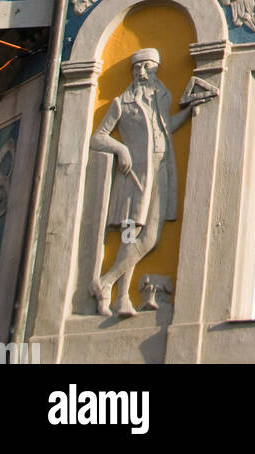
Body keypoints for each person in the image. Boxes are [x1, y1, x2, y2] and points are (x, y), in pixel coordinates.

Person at [89, 47, 211, 318]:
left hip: (161, 173)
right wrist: (121, 150)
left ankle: (107, 283)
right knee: (131, 235)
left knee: (150, 238)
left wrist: (190, 110)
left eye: (147, 67)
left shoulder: (161, 98)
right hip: (134, 178)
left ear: (156, 70)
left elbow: (166, 129)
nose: (142, 73)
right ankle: (119, 297)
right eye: (137, 68)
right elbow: (98, 137)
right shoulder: (123, 103)